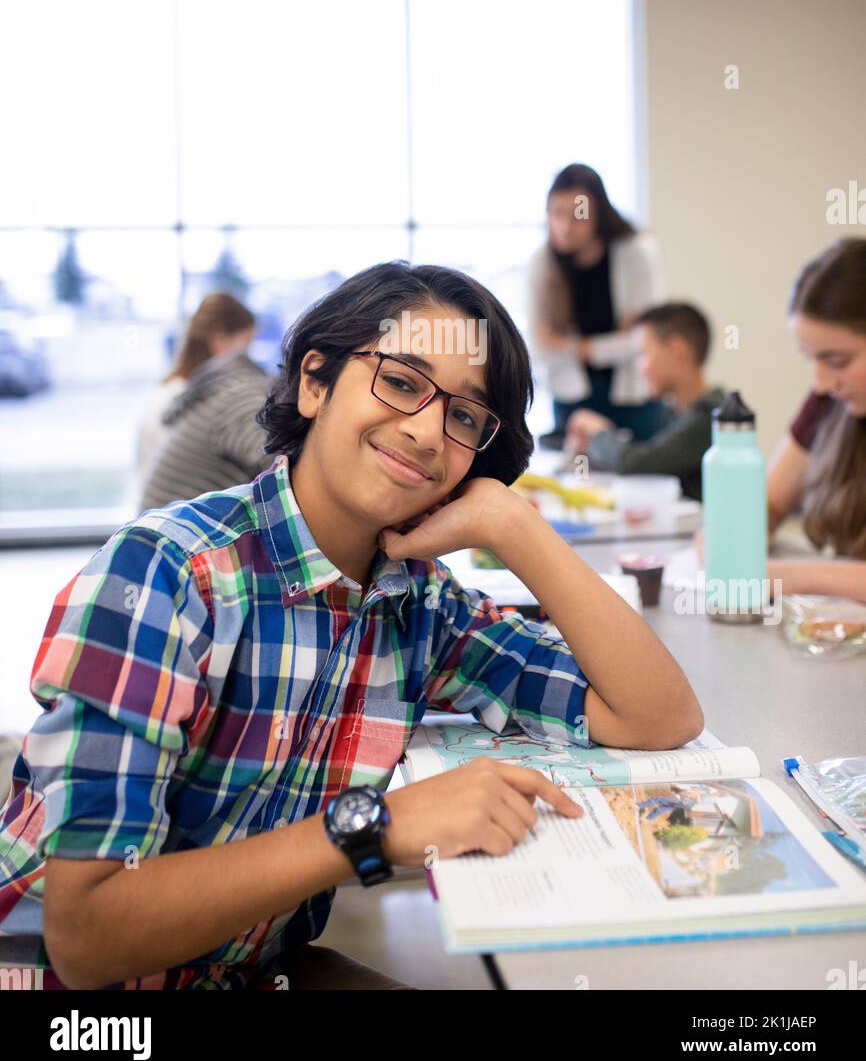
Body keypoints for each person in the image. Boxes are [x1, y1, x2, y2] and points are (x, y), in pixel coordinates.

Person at [0, 261, 702, 991]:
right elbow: (86, 937)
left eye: (464, 417)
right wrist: (374, 827)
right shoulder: (166, 573)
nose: (429, 431)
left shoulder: (418, 605)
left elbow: (659, 712)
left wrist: (511, 524)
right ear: (313, 382)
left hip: (249, 969)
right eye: (401, 381)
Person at [527, 163, 668, 445]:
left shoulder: (636, 252)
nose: (565, 227)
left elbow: (644, 341)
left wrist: (575, 346)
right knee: (577, 480)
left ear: (598, 215)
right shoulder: (543, 262)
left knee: (639, 474)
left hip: (633, 398)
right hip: (572, 399)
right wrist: (614, 341)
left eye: (577, 216)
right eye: (556, 214)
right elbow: (540, 346)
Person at [764, 238, 866, 603]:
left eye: (837, 361)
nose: (821, 382)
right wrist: (730, 540)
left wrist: (784, 576)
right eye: (812, 359)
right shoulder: (829, 401)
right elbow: (770, 505)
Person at [565, 303, 725, 501]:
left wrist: (599, 433)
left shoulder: (713, 418)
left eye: (642, 354)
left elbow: (639, 464)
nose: (639, 368)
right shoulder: (674, 412)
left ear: (678, 351)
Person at [138, 302, 271, 511]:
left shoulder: (188, 392)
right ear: (218, 337)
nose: (249, 355)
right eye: (247, 343)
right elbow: (277, 461)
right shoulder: (232, 396)